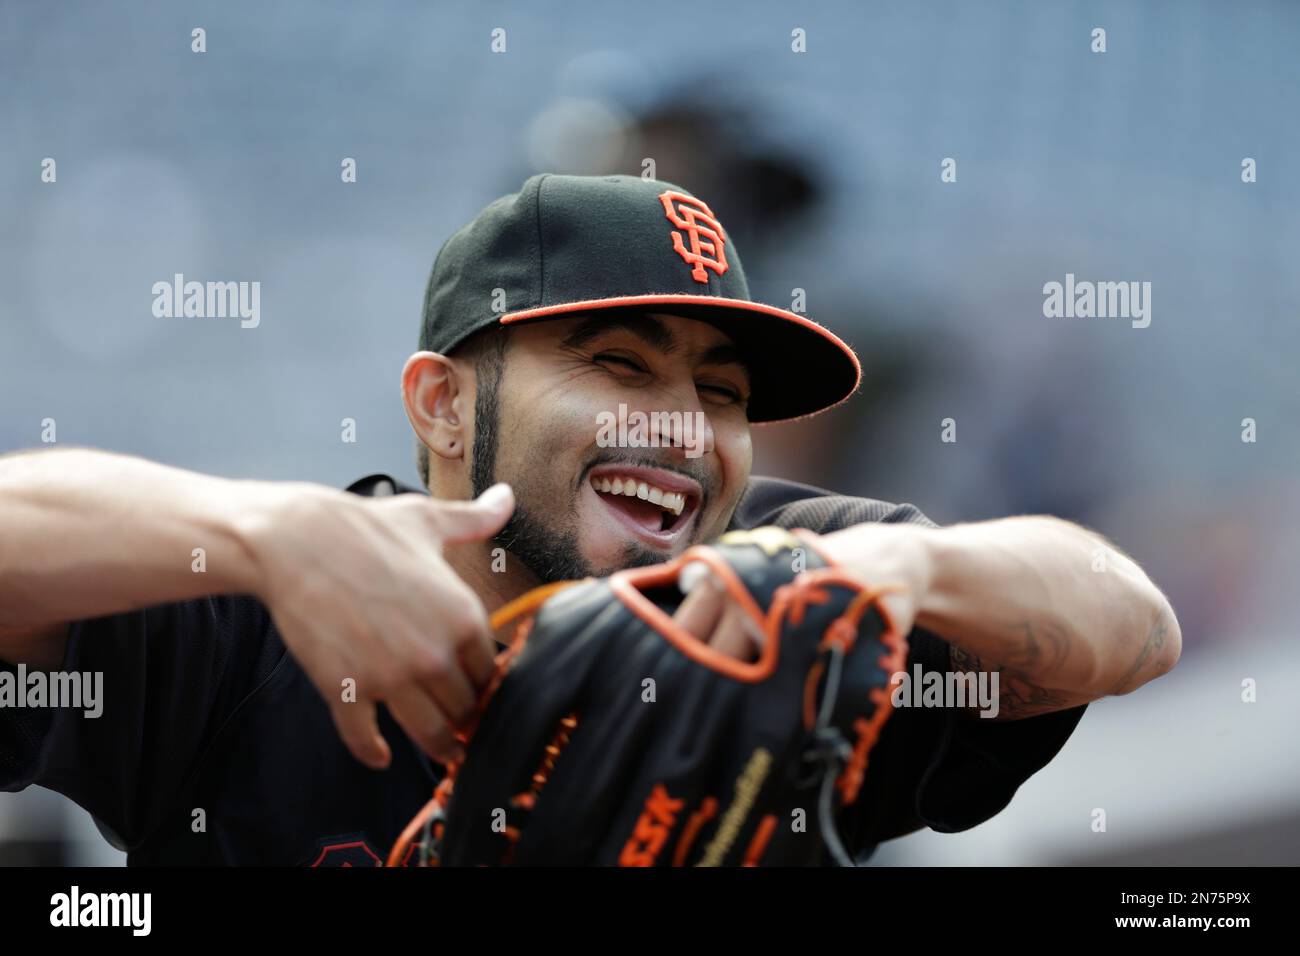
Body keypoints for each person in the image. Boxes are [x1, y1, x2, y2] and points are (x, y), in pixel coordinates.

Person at [0, 174, 1180, 865]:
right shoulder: (265, 617)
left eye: (720, 392)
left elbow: (1128, 624)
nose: (682, 427)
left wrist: (895, 570)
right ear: (445, 406)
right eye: (618, 363)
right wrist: (263, 534)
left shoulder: (781, 586)